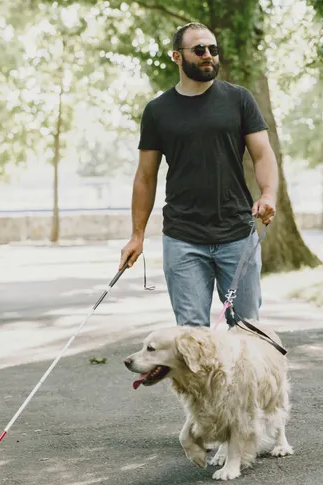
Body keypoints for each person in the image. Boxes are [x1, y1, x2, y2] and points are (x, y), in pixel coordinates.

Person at [118, 21, 279, 328]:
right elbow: (145, 177)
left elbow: (262, 154)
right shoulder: (157, 111)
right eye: (199, 49)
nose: (208, 55)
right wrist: (137, 235)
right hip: (183, 239)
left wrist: (268, 194)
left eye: (213, 49)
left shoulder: (239, 99)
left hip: (236, 234)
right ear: (177, 57)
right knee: (191, 336)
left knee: (247, 329)